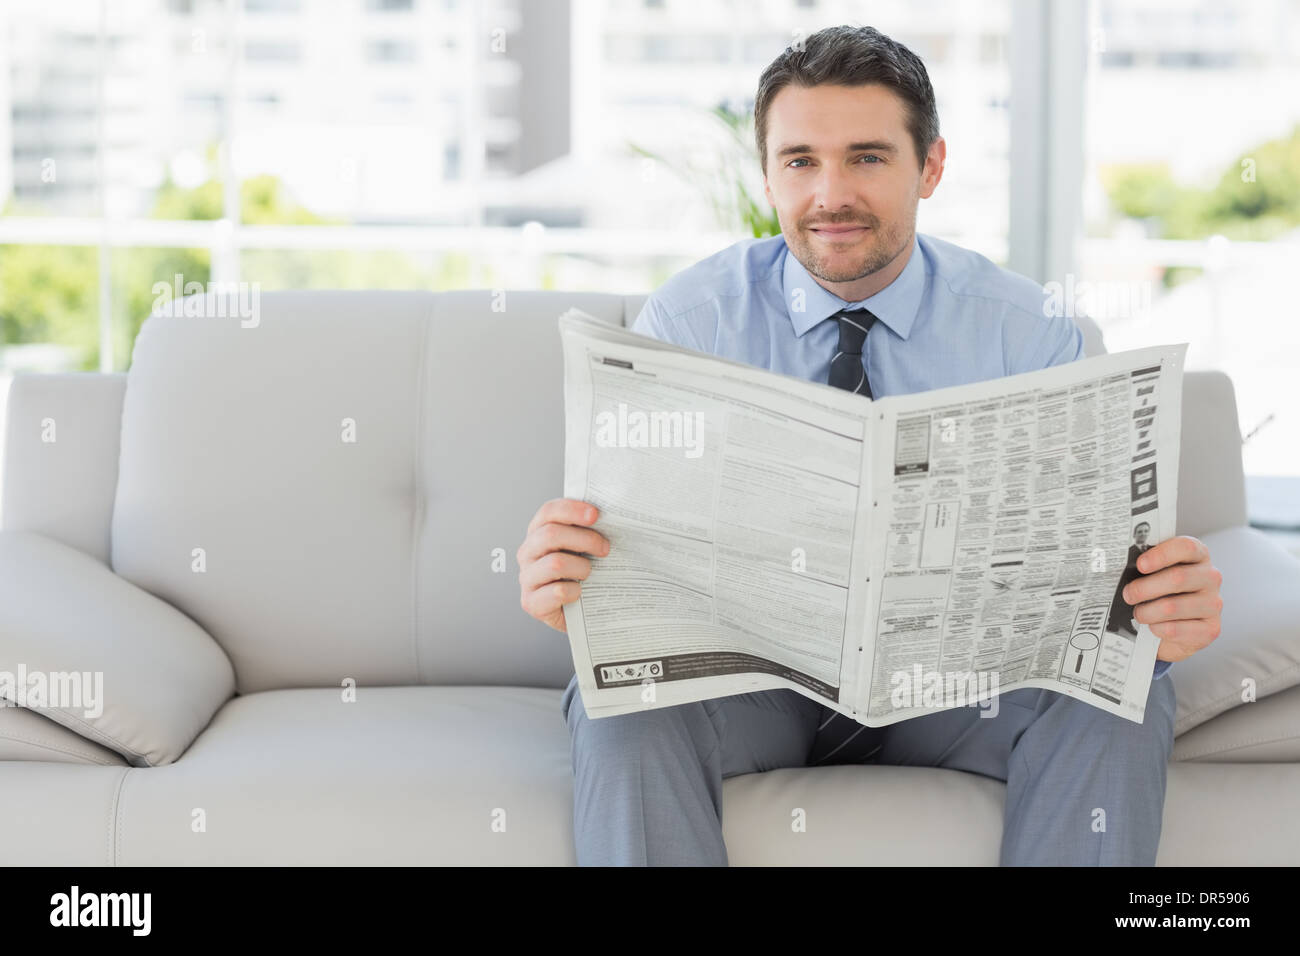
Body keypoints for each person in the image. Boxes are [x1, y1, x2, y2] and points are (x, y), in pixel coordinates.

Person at [516, 24, 1224, 866]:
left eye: (867, 157)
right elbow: (636, 550)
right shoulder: (688, 323)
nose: (830, 194)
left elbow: (1095, 570)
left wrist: (1151, 616)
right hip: (754, 687)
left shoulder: (1029, 334)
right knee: (619, 703)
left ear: (930, 166)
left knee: (1127, 694)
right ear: (770, 171)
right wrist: (577, 583)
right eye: (800, 161)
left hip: (960, 691)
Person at [1108, 522, 1155, 638]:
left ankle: (1128, 621)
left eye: (1145, 531)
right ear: (1134, 535)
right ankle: (1117, 621)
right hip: (1128, 585)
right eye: (1139, 531)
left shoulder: (1153, 549)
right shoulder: (1128, 552)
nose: (1143, 534)